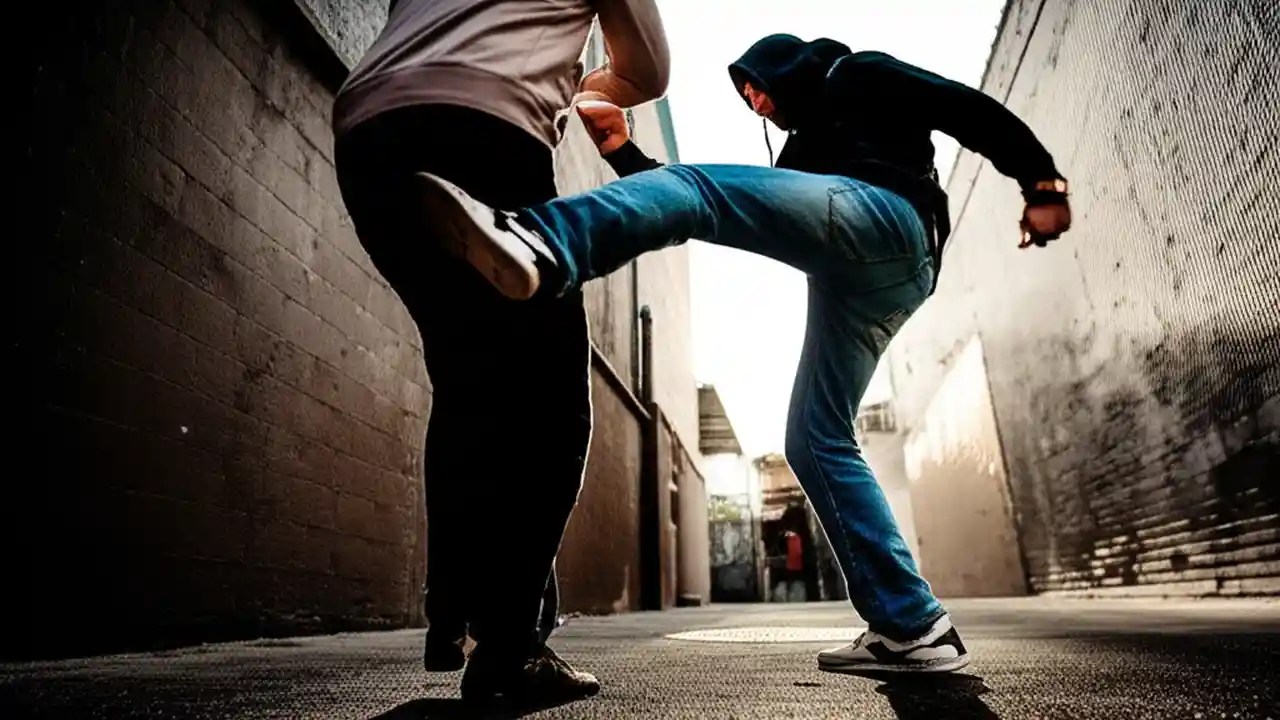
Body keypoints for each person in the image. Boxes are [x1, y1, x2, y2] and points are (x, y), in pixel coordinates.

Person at [412, 33, 1072, 674]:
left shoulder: (857, 74)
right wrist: (621, 151)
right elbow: (715, 204)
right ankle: (911, 625)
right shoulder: (798, 158)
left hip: (891, 219)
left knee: (700, 190)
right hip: (876, 282)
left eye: (758, 89)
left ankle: (542, 242)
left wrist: (1041, 182)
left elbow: (962, 105)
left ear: (783, 69)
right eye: (747, 98)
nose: (757, 104)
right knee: (814, 438)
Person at [330, 0, 670, 704]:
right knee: (551, 409)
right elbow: (649, 68)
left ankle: (455, 608)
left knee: (468, 381)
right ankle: (509, 649)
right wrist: (592, 89)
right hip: (484, 129)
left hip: (367, 130)